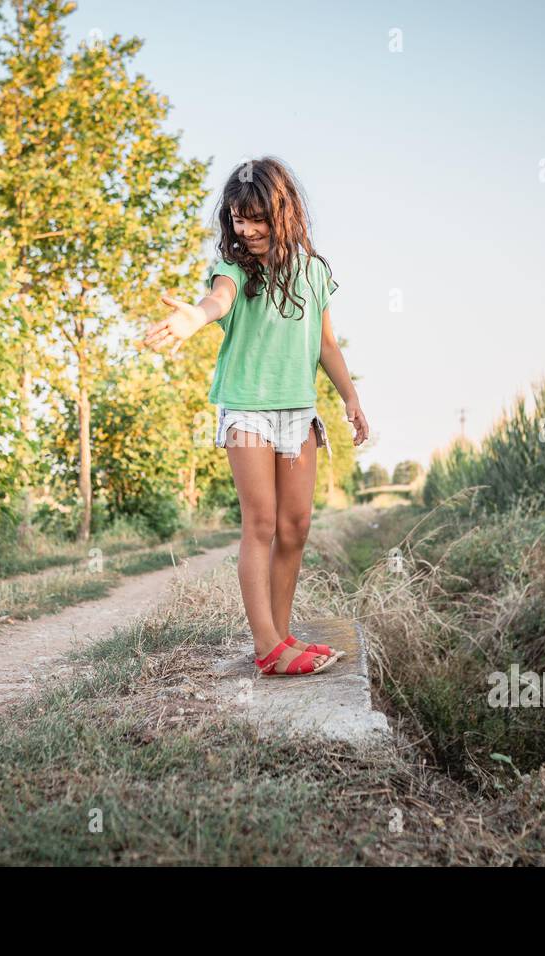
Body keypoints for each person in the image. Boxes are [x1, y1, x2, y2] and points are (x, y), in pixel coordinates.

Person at [142, 157, 370, 676]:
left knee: (296, 526)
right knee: (261, 523)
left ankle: (283, 636)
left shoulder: (314, 272)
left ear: (283, 211)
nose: (246, 230)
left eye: (257, 218)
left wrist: (351, 398)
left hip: (299, 411)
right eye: (237, 219)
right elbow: (216, 301)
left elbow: (326, 344)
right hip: (247, 409)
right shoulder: (233, 269)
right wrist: (194, 317)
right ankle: (267, 647)